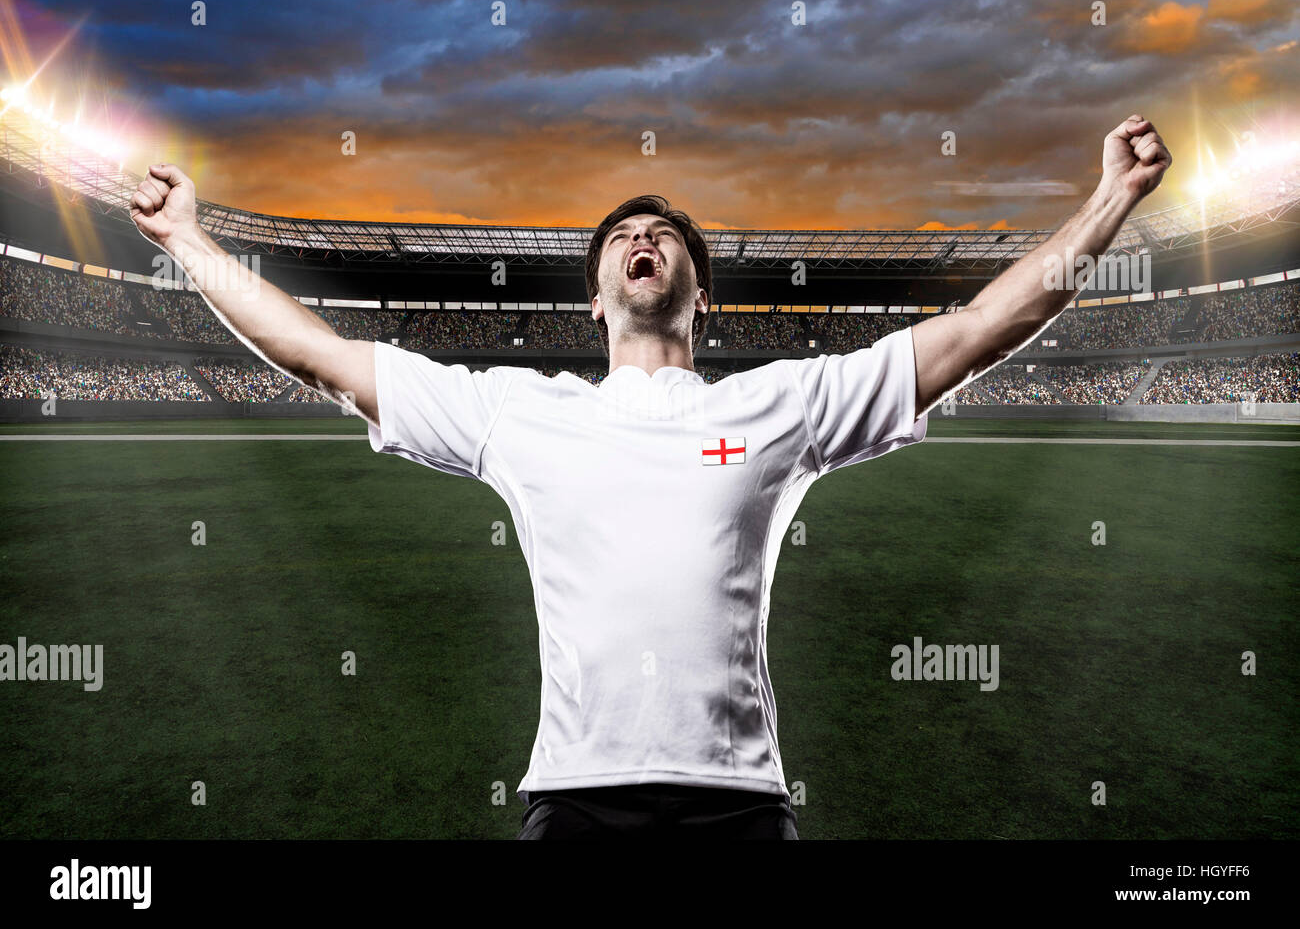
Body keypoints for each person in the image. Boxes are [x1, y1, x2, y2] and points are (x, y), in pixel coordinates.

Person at [130, 116, 1170, 839]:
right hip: (577, 799)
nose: (639, 237)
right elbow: (323, 354)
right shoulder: (520, 409)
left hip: (741, 802)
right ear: (593, 300)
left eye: (660, 233)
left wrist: (1111, 195)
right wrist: (184, 235)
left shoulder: (778, 404)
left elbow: (978, 331)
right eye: (622, 236)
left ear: (698, 291)